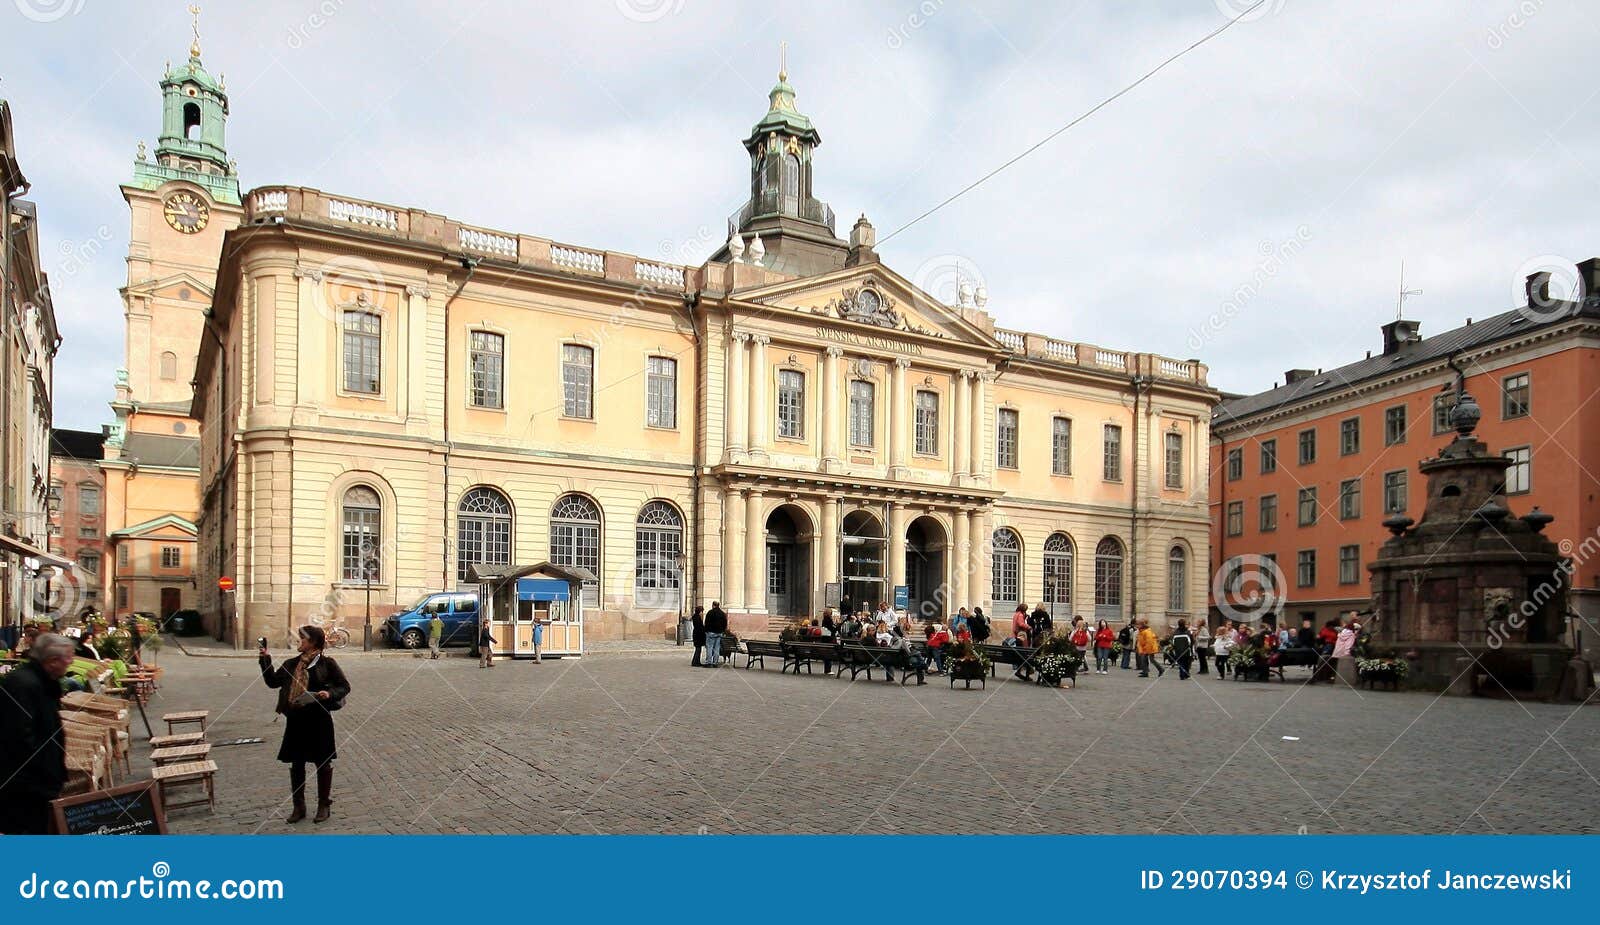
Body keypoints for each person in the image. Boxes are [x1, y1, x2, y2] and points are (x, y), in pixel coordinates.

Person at [259, 625, 351, 825]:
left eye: (303, 639)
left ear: (313, 643)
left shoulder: (327, 664)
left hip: (319, 720)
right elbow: (272, 682)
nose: (299, 642)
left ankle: (324, 805)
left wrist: (329, 694)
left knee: (322, 762)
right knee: (297, 763)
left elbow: (344, 686)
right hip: (296, 720)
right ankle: (298, 807)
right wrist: (265, 658)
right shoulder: (291, 664)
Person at [0, 633, 73, 834]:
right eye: (68, 657)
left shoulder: (41, 681)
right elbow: (20, 738)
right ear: (52, 661)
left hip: (38, 783)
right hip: (26, 788)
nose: (71, 662)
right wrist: (45, 775)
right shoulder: (23, 684)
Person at [704, 601, 728, 668]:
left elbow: (706, 622)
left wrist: (706, 631)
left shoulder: (710, 612)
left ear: (713, 605)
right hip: (719, 633)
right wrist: (722, 631)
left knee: (709, 647)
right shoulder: (722, 613)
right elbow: (725, 623)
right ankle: (715, 662)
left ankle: (709, 662)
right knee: (717, 648)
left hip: (711, 633)